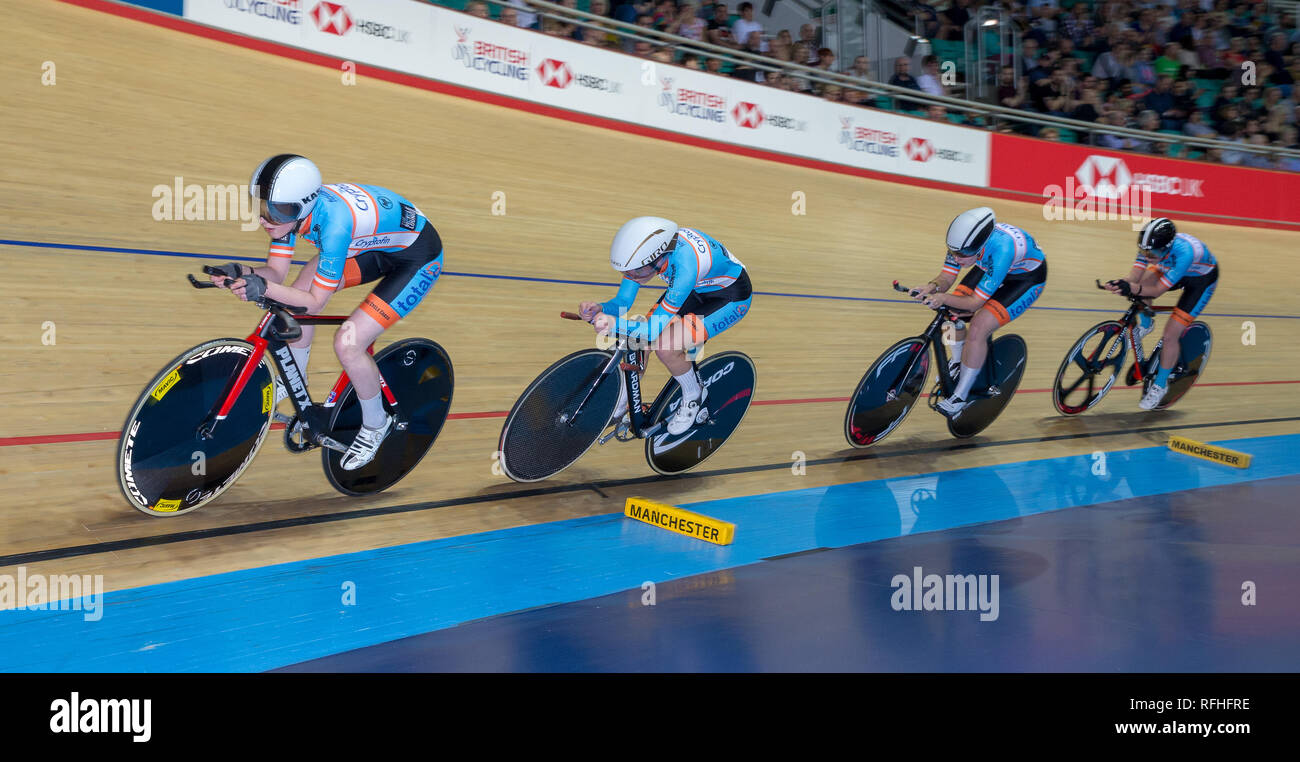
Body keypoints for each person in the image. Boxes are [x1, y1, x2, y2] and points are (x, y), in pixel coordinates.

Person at [214, 155, 445, 469]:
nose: (265, 219)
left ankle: (377, 424)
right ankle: (294, 374)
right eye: (261, 207)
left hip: (417, 259)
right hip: (372, 246)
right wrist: (242, 271)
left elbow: (313, 303)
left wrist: (262, 288)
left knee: (348, 343)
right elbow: (275, 273)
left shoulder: (334, 224)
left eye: (275, 211)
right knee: (295, 289)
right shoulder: (289, 214)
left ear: (302, 207)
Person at [578, 217, 753, 436]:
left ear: (659, 258)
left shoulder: (685, 265)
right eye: (627, 273)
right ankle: (623, 400)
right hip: (695, 289)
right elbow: (622, 302)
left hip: (729, 298)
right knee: (636, 339)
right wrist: (600, 308)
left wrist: (613, 323)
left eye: (637, 273)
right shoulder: (646, 256)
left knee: (666, 346)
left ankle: (694, 394)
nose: (632, 277)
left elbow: (652, 330)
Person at [911, 208, 1047, 419]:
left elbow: (974, 304)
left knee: (979, 326)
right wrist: (931, 287)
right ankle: (957, 361)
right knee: (949, 312)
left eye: (962, 255)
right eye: (953, 252)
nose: (957, 258)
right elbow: (946, 279)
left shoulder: (1002, 248)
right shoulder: (963, 244)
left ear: (979, 246)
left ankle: (960, 396)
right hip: (990, 266)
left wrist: (944, 298)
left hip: (1025, 280)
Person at [1103, 218, 1219, 410]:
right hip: (1172, 269)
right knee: (1140, 287)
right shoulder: (1149, 247)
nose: (1147, 256)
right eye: (1144, 252)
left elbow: (1156, 291)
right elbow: (1134, 278)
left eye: (1152, 253)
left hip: (1200, 281)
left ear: (1167, 247)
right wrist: (1119, 283)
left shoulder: (1185, 253)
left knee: (1170, 335)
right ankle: (1146, 324)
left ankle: (1160, 385)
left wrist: (1131, 287)